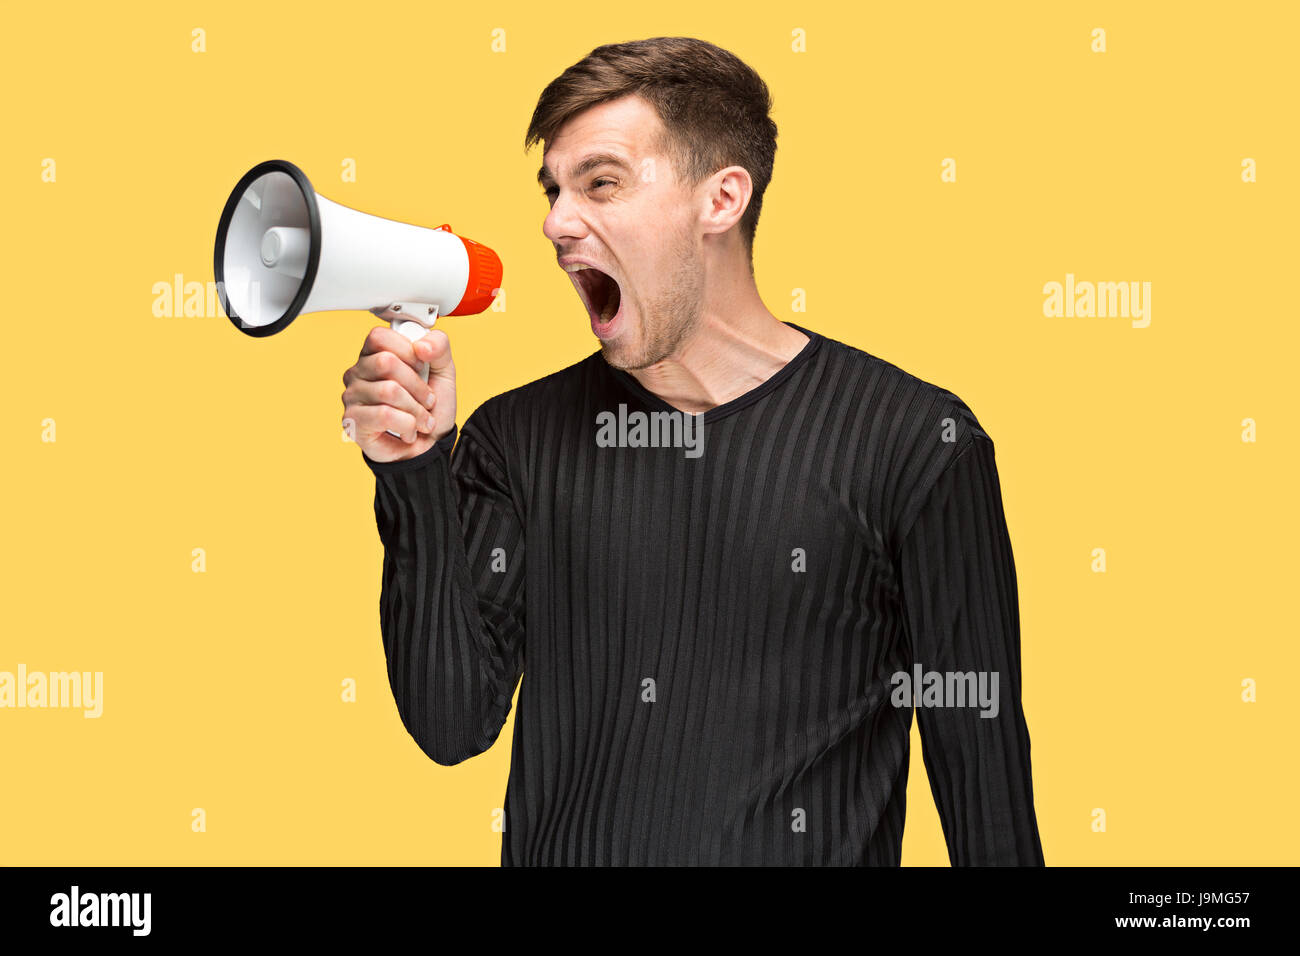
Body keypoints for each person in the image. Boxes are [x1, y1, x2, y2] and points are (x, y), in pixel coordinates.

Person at [340, 36, 1044, 866]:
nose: (557, 224)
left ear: (722, 199)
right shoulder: (514, 440)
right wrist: (413, 472)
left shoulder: (916, 444)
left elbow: (985, 796)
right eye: (555, 191)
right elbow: (451, 724)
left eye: (600, 182)